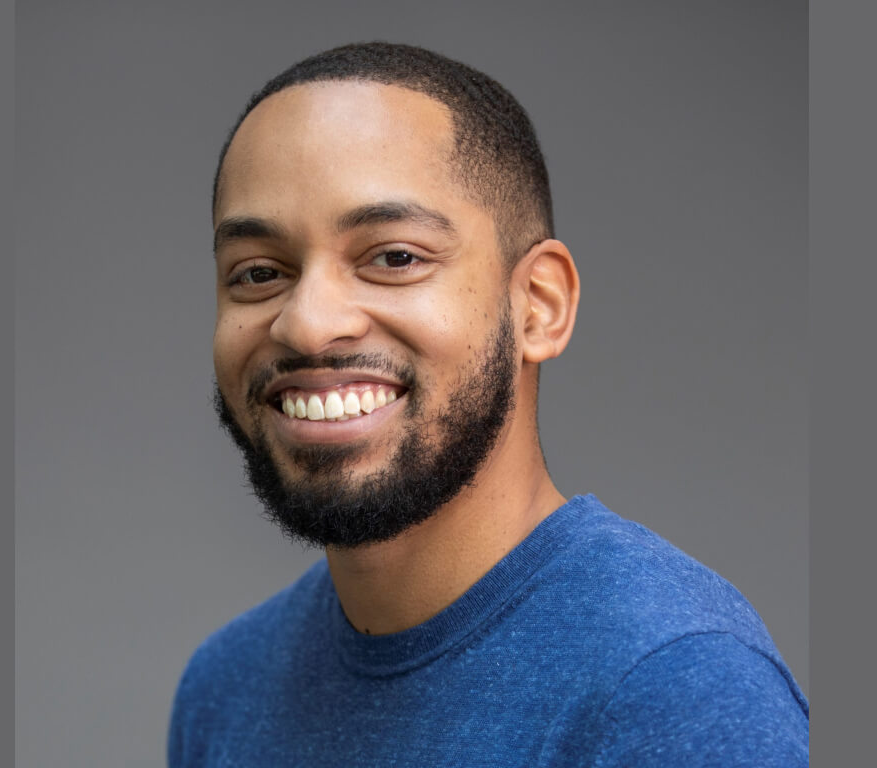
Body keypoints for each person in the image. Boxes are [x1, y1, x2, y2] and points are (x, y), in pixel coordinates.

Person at [169, 42, 808, 766]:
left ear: (538, 306)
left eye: (395, 257)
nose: (307, 322)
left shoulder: (673, 689)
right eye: (258, 272)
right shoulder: (225, 691)